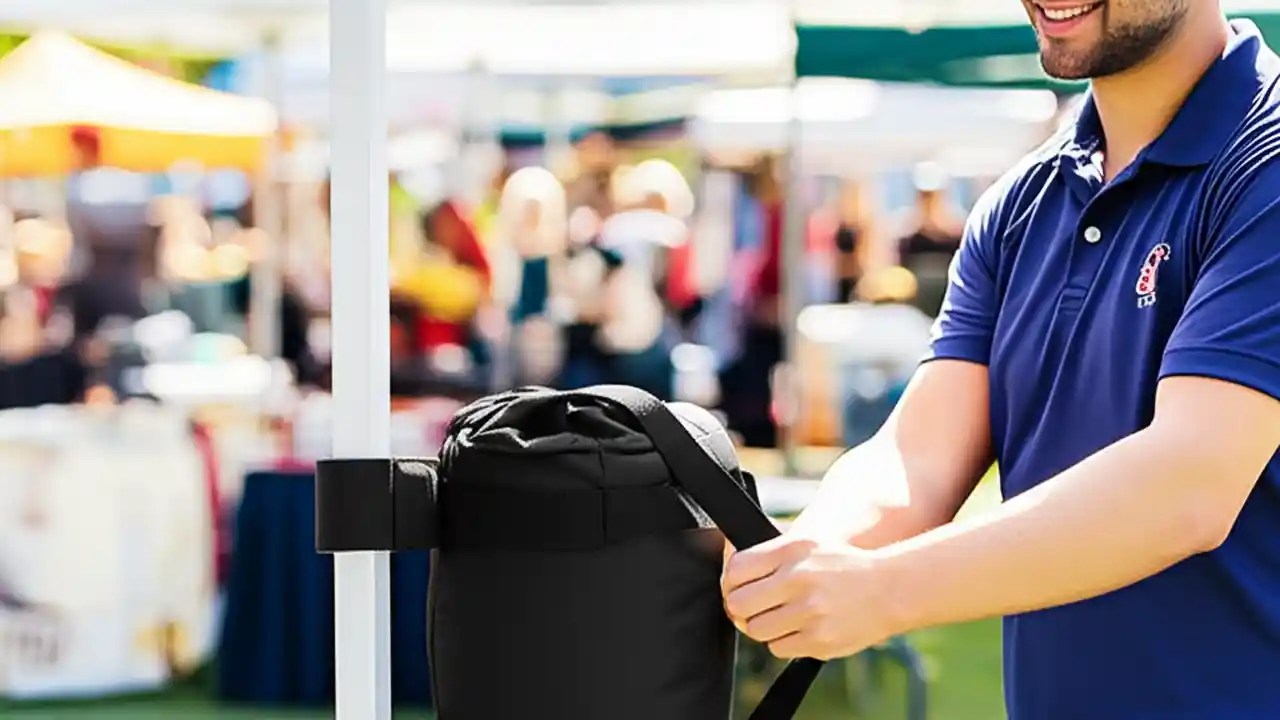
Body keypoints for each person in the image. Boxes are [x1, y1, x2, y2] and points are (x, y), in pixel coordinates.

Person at [723, 6, 1280, 719]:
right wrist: (799, 558)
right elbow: (916, 457)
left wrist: (881, 589)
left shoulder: (1264, 163)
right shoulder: (1022, 202)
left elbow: (1189, 484)